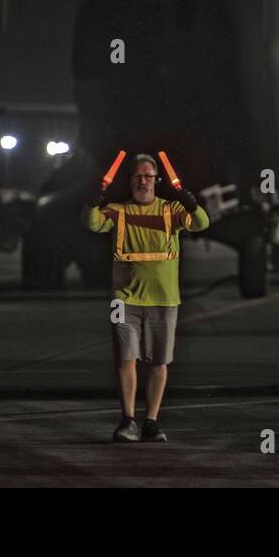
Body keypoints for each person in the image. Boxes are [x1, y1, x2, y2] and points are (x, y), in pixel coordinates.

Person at [81, 153, 209, 442]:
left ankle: (151, 421)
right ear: (130, 180)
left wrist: (191, 202)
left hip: (164, 300)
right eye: (138, 176)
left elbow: (200, 223)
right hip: (124, 299)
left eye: (148, 176)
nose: (143, 181)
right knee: (126, 359)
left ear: (156, 180)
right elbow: (90, 223)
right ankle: (127, 420)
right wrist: (92, 202)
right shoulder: (116, 211)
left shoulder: (172, 210)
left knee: (159, 363)